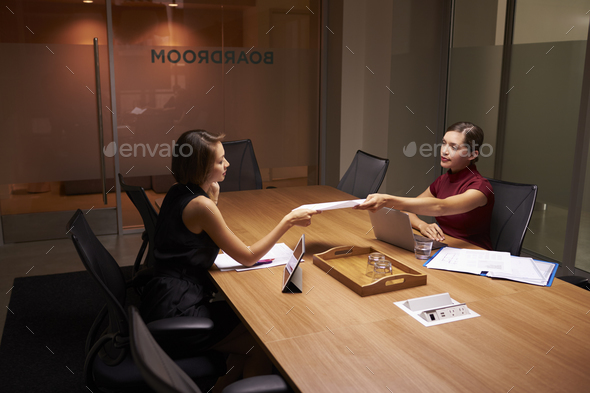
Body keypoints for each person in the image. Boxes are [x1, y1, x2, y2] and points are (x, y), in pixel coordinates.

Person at [140, 130, 318, 391]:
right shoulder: (201, 207)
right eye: (220, 160)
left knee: (249, 335)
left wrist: (212, 198)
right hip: (181, 310)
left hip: (163, 297)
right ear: (201, 166)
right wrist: (288, 220)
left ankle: (220, 387)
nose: (227, 164)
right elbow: (247, 257)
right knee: (262, 344)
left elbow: (197, 240)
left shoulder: (178, 192)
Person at [355, 122, 494, 250]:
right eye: (444, 143)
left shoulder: (481, 188)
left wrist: (387, 200)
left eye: (454, 147)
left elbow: (441, 207)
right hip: (445, 247)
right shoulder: (443, 180)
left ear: (472, 154)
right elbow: (410, 208)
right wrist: (422, 225)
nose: (444, 151)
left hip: (474, 253)